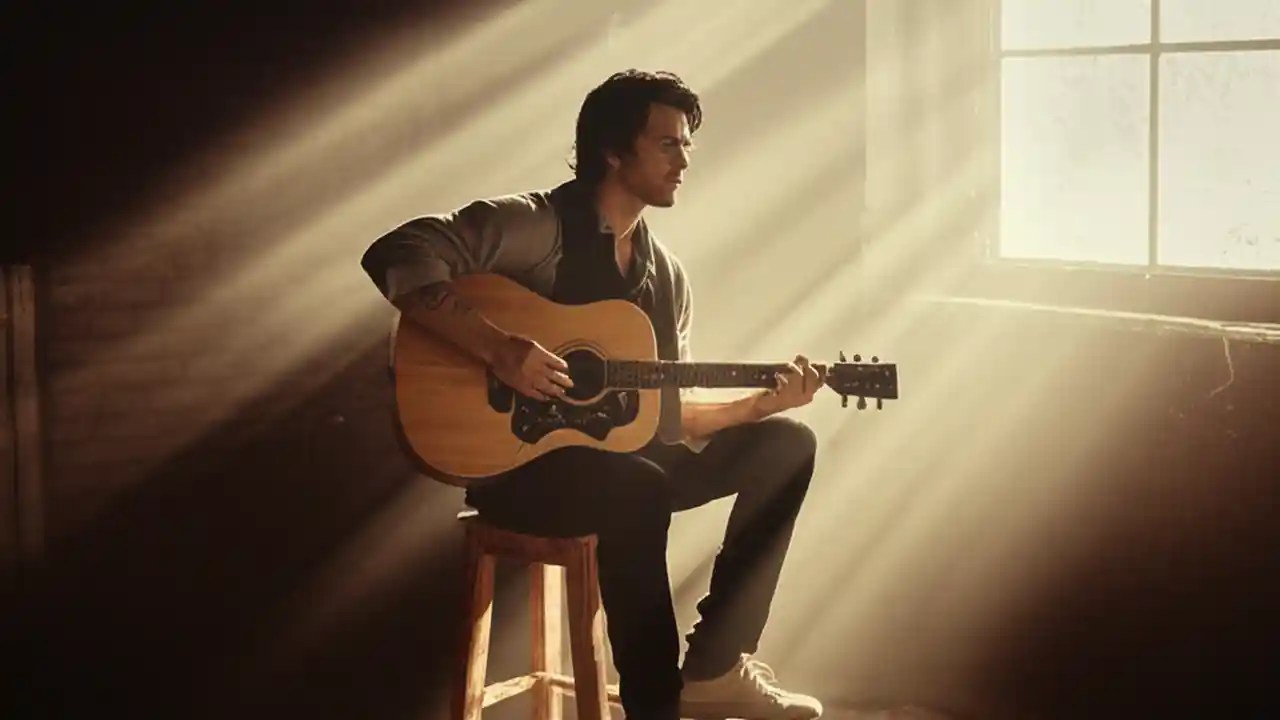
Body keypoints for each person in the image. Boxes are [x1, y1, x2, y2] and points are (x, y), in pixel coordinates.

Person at [361, 69, 824, 720]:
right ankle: (653, 707)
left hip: (623, 468)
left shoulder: (667, 279)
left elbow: (661, 420)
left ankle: (715, 665)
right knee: (635, 486)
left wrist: (754, 408)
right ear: (613, 150)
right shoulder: (536, 228)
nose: (685, 159)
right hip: (519, 469)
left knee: (786, 445)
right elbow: (398, 252)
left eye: (687, 144)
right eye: (668, 143)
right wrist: (499, 348)